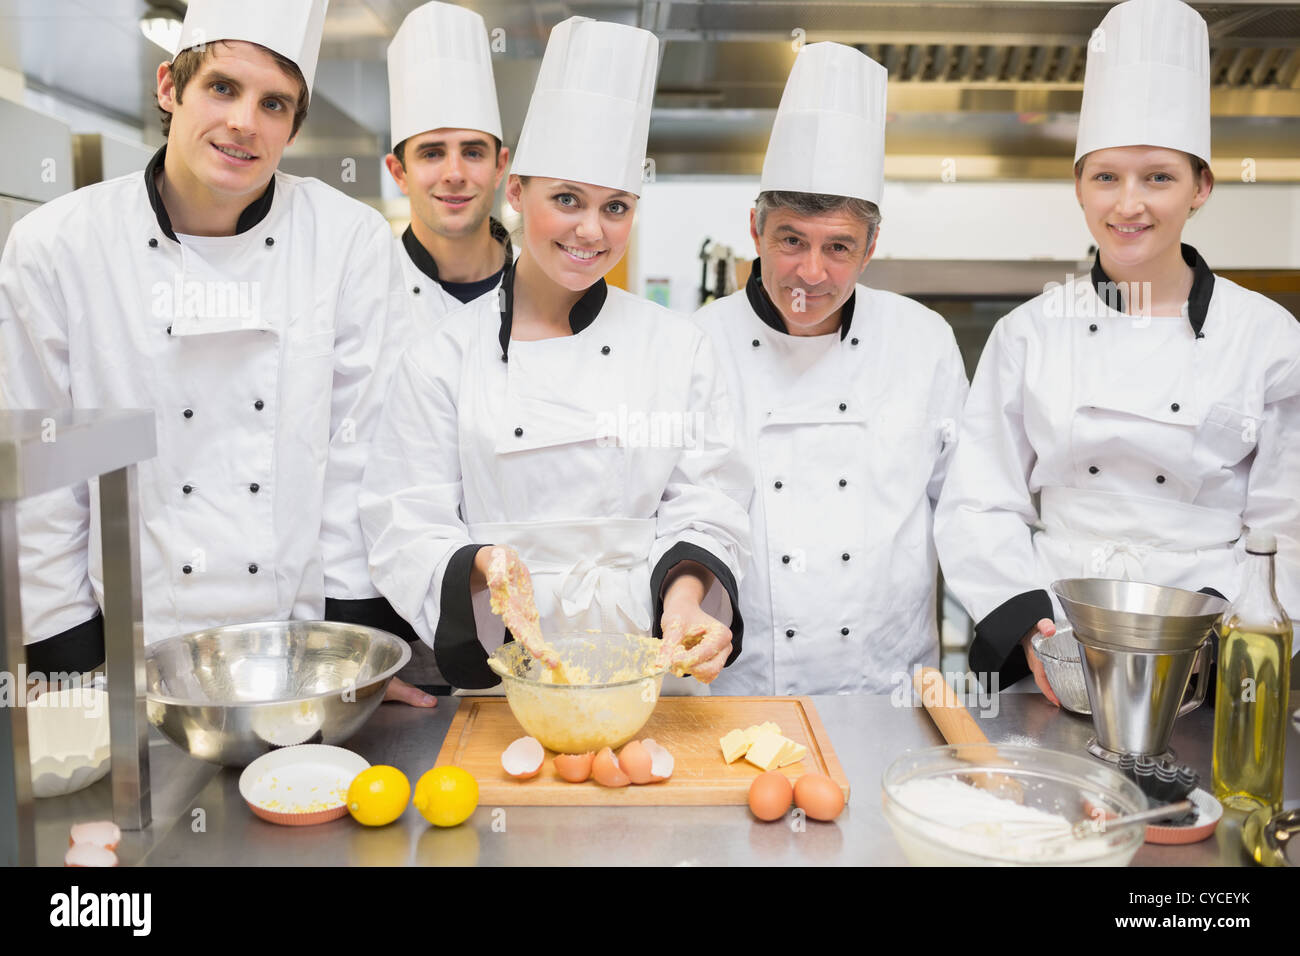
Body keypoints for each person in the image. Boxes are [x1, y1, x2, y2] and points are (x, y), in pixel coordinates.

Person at [0, 0, 423, 704]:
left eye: (275, 103)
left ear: (293, 124)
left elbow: (363, 457)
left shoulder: (346, 239)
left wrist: (361, 654)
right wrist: (64, 664)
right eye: (223, 87)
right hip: (132, 657)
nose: (244, 122)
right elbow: (44, 466)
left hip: (306, 652)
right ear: (170, 87)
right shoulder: (57, 246)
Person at [359, 17, 752, 693]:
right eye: (566, 199)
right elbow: (405, 520)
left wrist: (688, 595)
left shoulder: (679, 348)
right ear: (516, 192)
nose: (590, 231)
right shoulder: (441, 358)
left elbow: (707, 501)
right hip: (503, 677)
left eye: (616, 207)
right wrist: (481, 563)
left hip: (654, 674)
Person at [933, 0, 1300, 702]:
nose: (1128, 204)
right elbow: (979, 503)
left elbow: (1285, 525)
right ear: (1078, 186)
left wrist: (1225, 641)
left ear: (1202, 187)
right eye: (1106, 177)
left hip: (1213, 659)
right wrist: (1030, 628)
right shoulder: (1028, 334)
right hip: (1051, 647)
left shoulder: (1269, 339)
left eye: (1158, 177)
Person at [693, 43, 969, 695]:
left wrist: (1025, 626)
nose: (811, 272)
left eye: (838, 247)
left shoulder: (923, 342)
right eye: (791, 240)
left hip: (888, 690)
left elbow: (967, 507)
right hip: (737, 694)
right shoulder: (694, 346)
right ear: (755, 232)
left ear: (871, 248)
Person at [384, 1, 511, 321]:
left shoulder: (544, 290)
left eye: (472, 152)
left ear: (499, 167)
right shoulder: (367, 293)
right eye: (432, 153)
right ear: (399, 173)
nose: (454, 173)